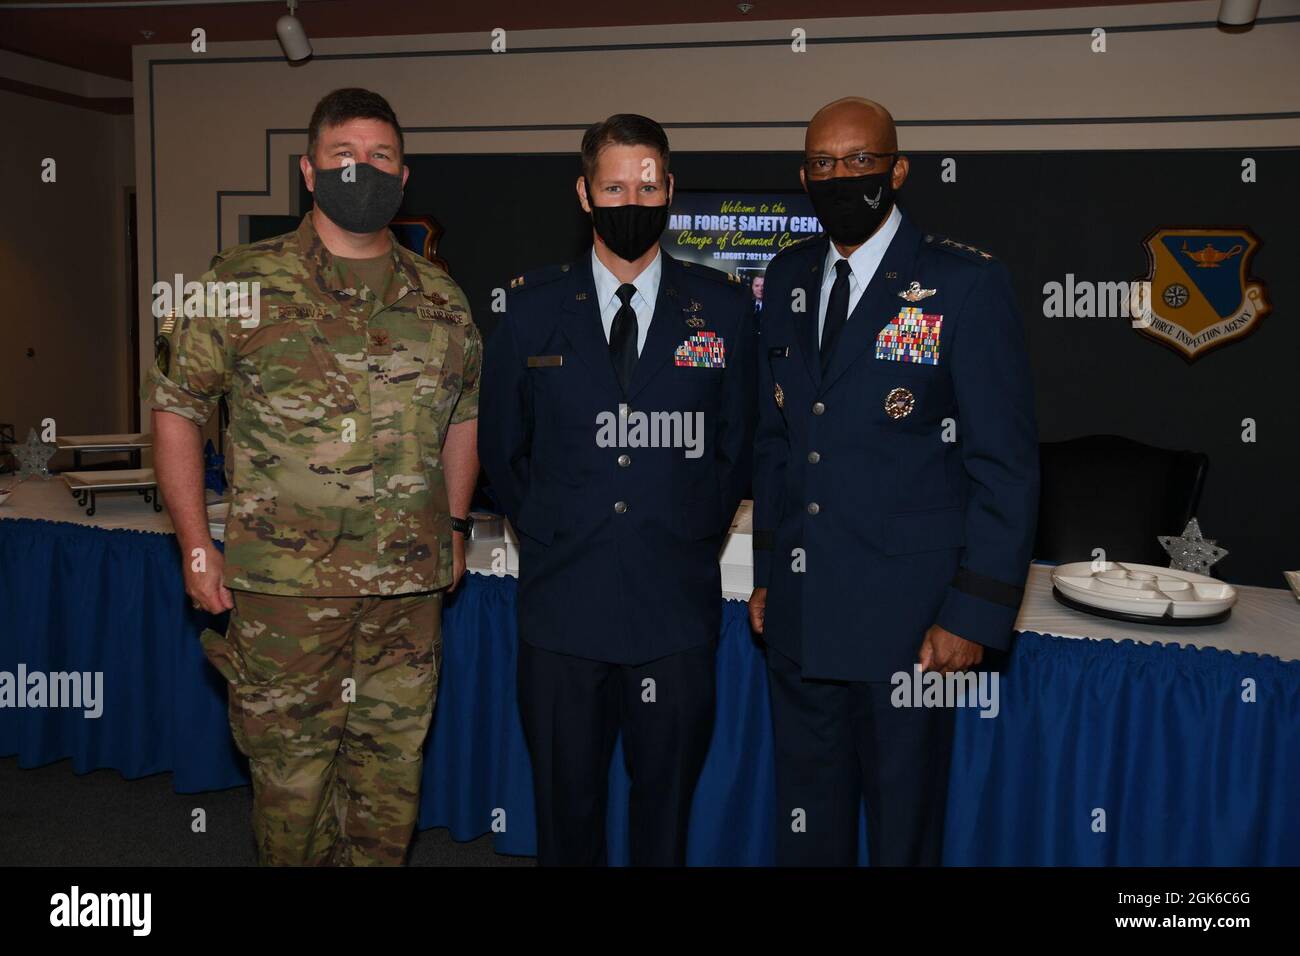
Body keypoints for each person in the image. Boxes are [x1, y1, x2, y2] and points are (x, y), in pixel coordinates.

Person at [147, 87, 481, 865]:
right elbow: (176, 409)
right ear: (308, 169)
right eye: (342, 156)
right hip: (286, 600)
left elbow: (464, 417)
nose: (359, 169)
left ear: (405, 175)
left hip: (406, 598)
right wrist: (196, 547)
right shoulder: (238, 282)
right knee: (291, 799)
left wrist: (457, 526)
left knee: (389, 793)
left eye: (379, 157)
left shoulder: (440, 297)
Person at [748, 96, 1039, 866]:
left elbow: (1003, 465)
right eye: (822, 164)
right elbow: (776, 444)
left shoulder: (963, 284)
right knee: (807, 823)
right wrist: (770, 574)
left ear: (897, 170)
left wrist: (974, 616)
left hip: (914, 629)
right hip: (802, 614)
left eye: (859, 161)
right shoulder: (785, 279)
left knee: (904, 829)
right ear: (802, 175)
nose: (840, 176)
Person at [479, 114, 756, 866]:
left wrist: (694, 527)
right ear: (583, 193)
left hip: (673, 613)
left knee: (663, 818)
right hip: (564, 611)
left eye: (647, 184)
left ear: (670, 191)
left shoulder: (725, 310)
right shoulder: (529, 308)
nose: (631, 198)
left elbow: (738, 445)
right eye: (613, 185)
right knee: (566, 816)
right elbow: (502, 450)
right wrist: (550, 530)